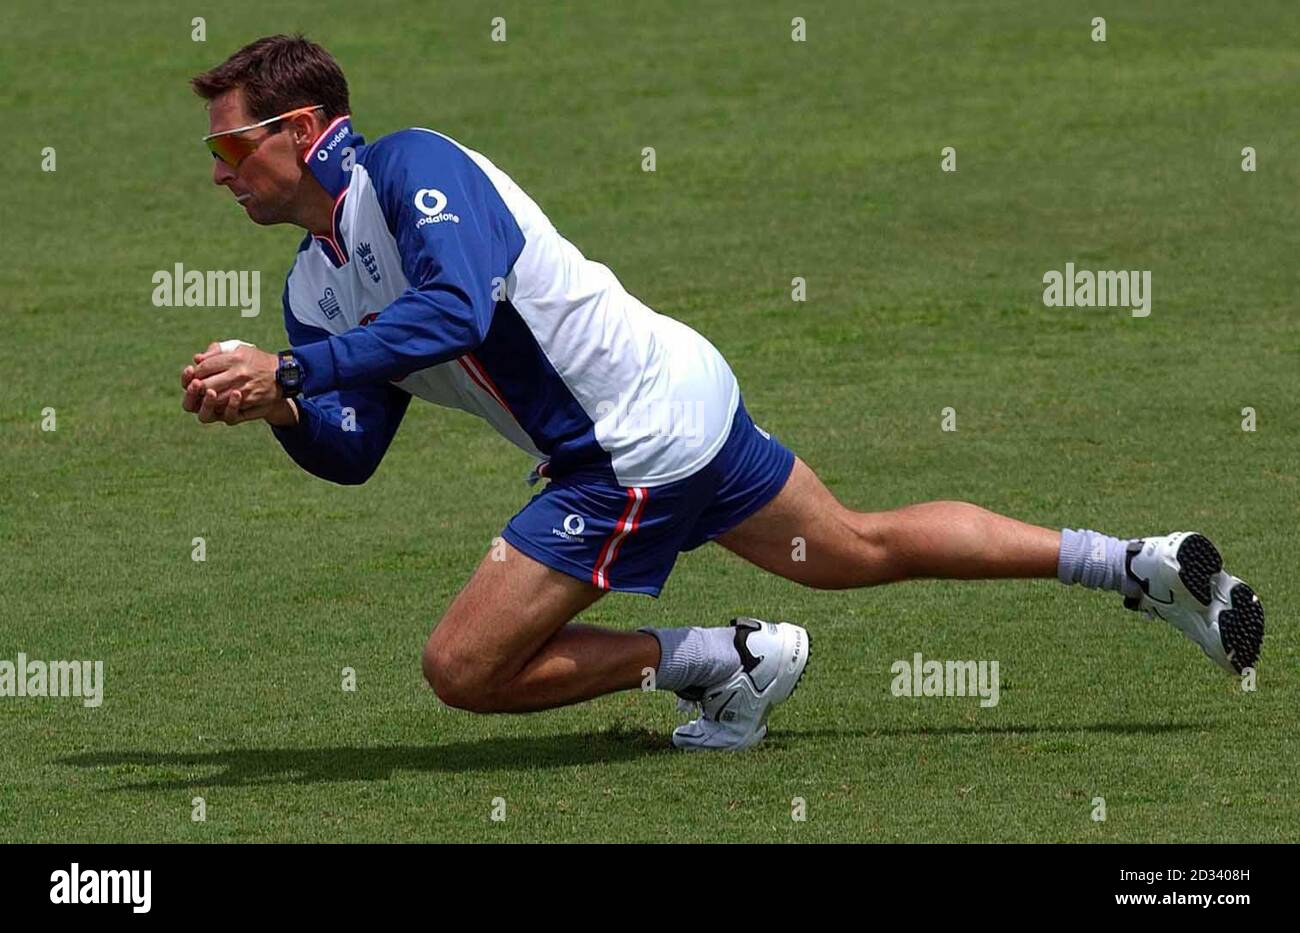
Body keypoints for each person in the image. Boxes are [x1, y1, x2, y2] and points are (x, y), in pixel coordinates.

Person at [180, 35, 1263, 751]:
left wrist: (290, 370)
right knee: (854, 550)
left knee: (461, 668)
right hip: (668, 405)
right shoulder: (311, 287)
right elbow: (353, 448)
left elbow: (456, 312)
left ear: (307, 129)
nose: (222, 172)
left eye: (234, 144)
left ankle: (726, 661)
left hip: (630, 441)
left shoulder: (415, 169)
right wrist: (282, 408)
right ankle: (1136, 565)